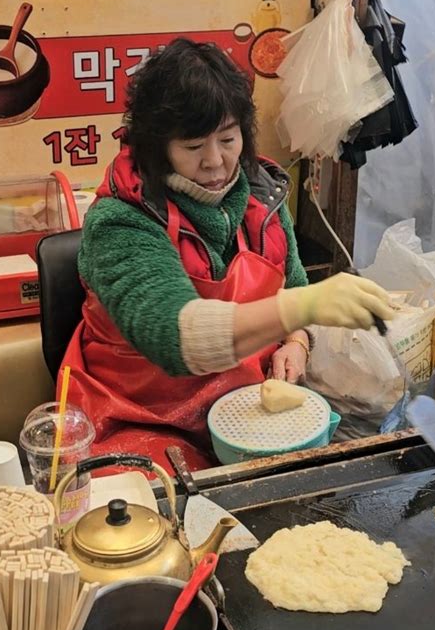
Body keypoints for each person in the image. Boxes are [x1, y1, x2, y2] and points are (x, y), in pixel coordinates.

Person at [61, 39, 394, 471]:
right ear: (156, 147)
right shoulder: (122, 221)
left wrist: (296, 341)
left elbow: (292, 284)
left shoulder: (262, 197)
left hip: (243, 405)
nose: (216, 162)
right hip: (138, 418)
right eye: (194, 147)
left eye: (228, 138)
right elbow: (176, 339)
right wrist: (304, 306)